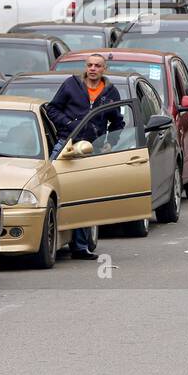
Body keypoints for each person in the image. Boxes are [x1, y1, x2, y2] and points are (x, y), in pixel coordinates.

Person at [45, 53, 123, 260]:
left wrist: (110, 143)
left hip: (92, 149)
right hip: (66, 145)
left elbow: (117, 122)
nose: (93, 69)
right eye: (89, 65)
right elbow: (51, 109)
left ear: (104, 69)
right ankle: (49, 238)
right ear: (85, 67)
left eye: (97, 65)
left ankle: (80, 247)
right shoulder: (71, 84)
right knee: (51, 186)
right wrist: (69, 124)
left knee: (85, 196)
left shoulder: (111, 92)